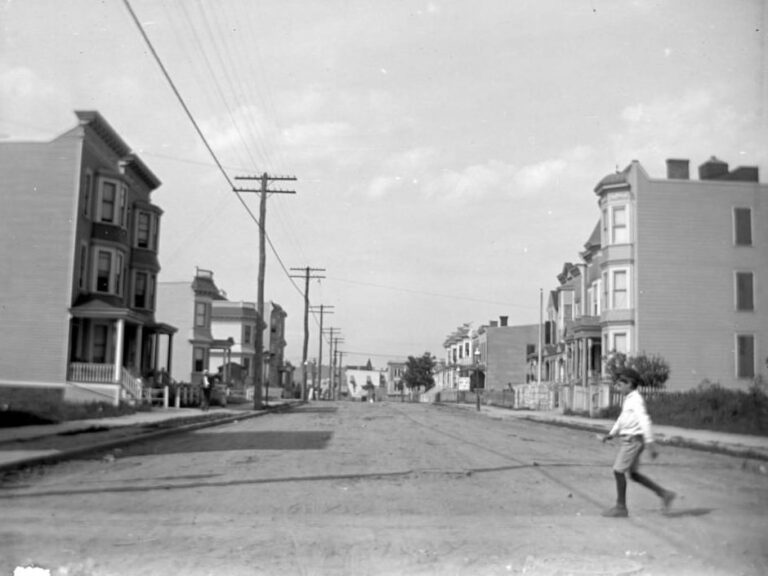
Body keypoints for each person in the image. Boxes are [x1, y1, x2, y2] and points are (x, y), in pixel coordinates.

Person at [601, 367, 676, 518]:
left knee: (618, 470)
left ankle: (621, 507)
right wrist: (612, 434)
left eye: (620, 384)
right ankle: (664, 494)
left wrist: (650, 442)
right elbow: (622, 419)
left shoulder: (636, 400)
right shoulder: (629, 399)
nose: (618, 387)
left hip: (633, 441)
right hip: (630, 439)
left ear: (629, 383)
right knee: (633, 475)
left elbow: (644, 420)